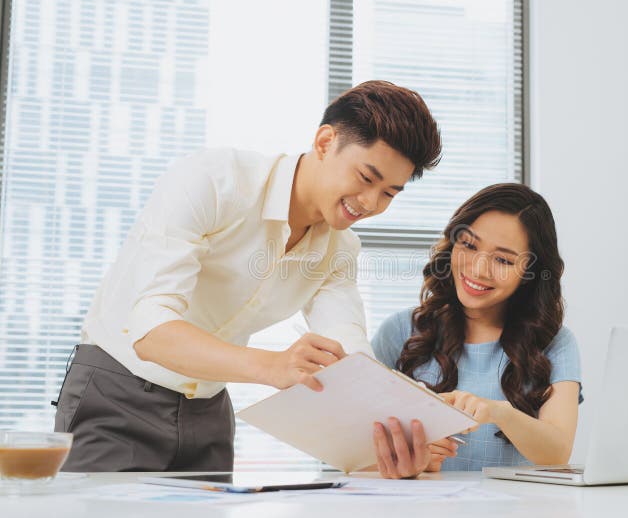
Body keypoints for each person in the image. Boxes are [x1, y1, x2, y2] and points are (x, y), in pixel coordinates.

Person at [53, 80, 442, 472]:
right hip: (117, 393)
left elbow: (347, 354)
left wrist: (410, 422)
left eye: (389, 194)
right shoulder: (214, 181)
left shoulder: (340, 249)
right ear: (325, 142)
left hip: (208, 412)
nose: (371, 203)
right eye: (366, 177)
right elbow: (149, 331)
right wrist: (272, 366)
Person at [369, 183, 582, 477]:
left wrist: (499, 412)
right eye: (469, 245)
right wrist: (413, 461)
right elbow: (349, 453)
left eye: (503, 260)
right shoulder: (400, 331)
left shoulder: (554, 343)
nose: (479, 269)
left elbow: (557, 452)